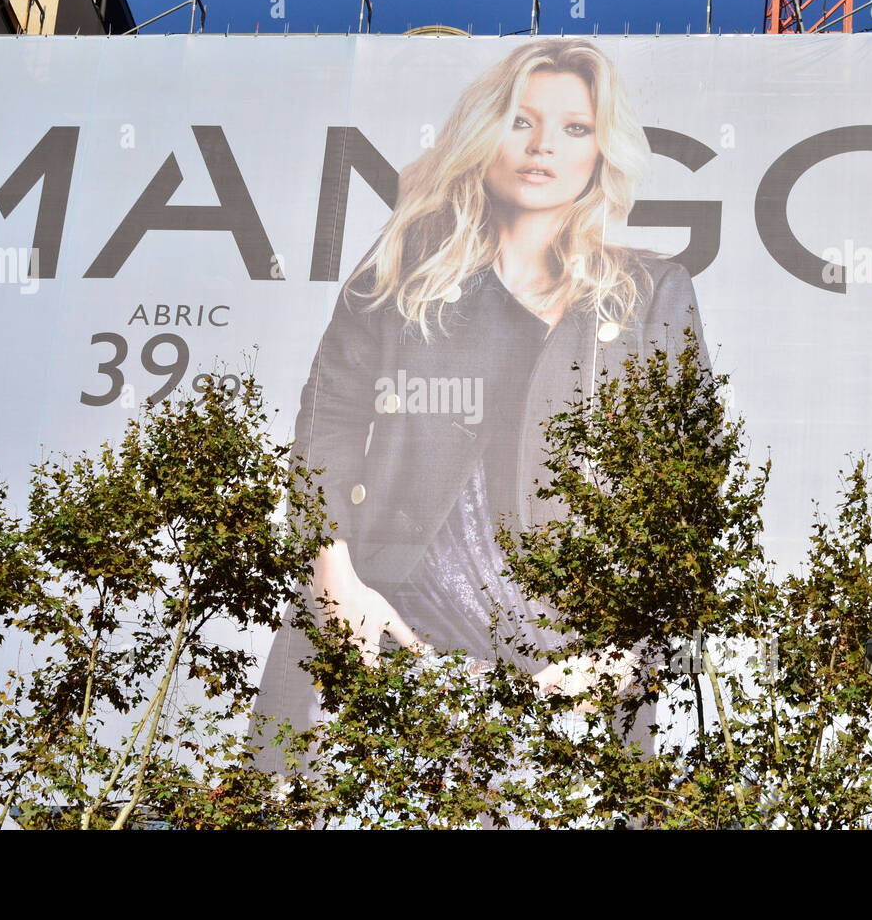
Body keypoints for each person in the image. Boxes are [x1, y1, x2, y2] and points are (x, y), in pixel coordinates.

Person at [253, 38, 708, 767]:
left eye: (573, 128)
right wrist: (334, 576)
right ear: (486, 132)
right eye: (521, 121)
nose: (542, 147)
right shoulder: (407, 266)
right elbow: (326, 424)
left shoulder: (651, 292)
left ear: (601, 151)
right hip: (391, 625)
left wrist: (625, 652)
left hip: (571, 663)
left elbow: (686, 491)